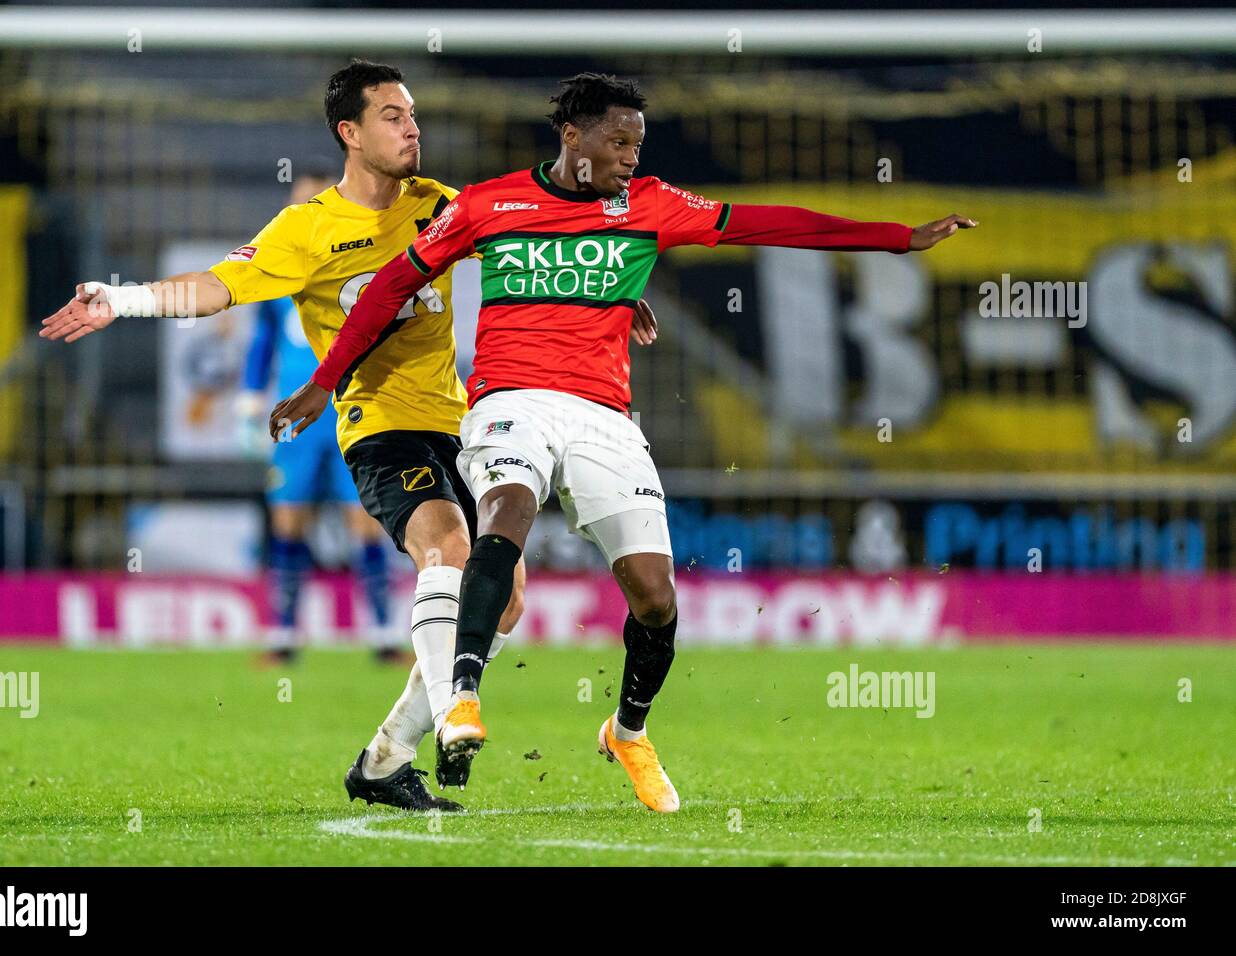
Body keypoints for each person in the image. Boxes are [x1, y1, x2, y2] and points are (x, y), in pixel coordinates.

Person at [272, 72, 976, 811]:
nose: (631, 156)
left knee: (653, 595)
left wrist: (898, 239)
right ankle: (464, 698)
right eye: (618, 140)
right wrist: (326, 380)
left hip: (605, 416)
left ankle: (628, 730)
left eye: (638, 143)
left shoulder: (649, 206)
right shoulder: (490, 203)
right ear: (572, 135)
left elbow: (770, 222)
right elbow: (389, 286)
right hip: (510, 401)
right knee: (505, 513)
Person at [41, 62, 660, 811]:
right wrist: (126, 298)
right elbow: (215, 287)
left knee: (504, 602)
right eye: (394, 117)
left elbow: (538, 234)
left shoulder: (441, 205)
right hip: (378, 428)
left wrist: (619, 296)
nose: (413, 128)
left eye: (414, 116)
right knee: (449, 551)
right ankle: (457, 710)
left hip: (460, 422)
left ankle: (385, 757)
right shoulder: (306, 229)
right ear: (351, 132)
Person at [238, 164, 400, 666]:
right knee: (288, 523)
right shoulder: (275, 270)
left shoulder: (357, 264)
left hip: (352, 411)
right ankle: (284, 637)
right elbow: (263, 339)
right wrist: (248, 401)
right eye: (295, 204)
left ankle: (383, 636)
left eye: (311, 203)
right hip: (294, 418)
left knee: (366, 523)